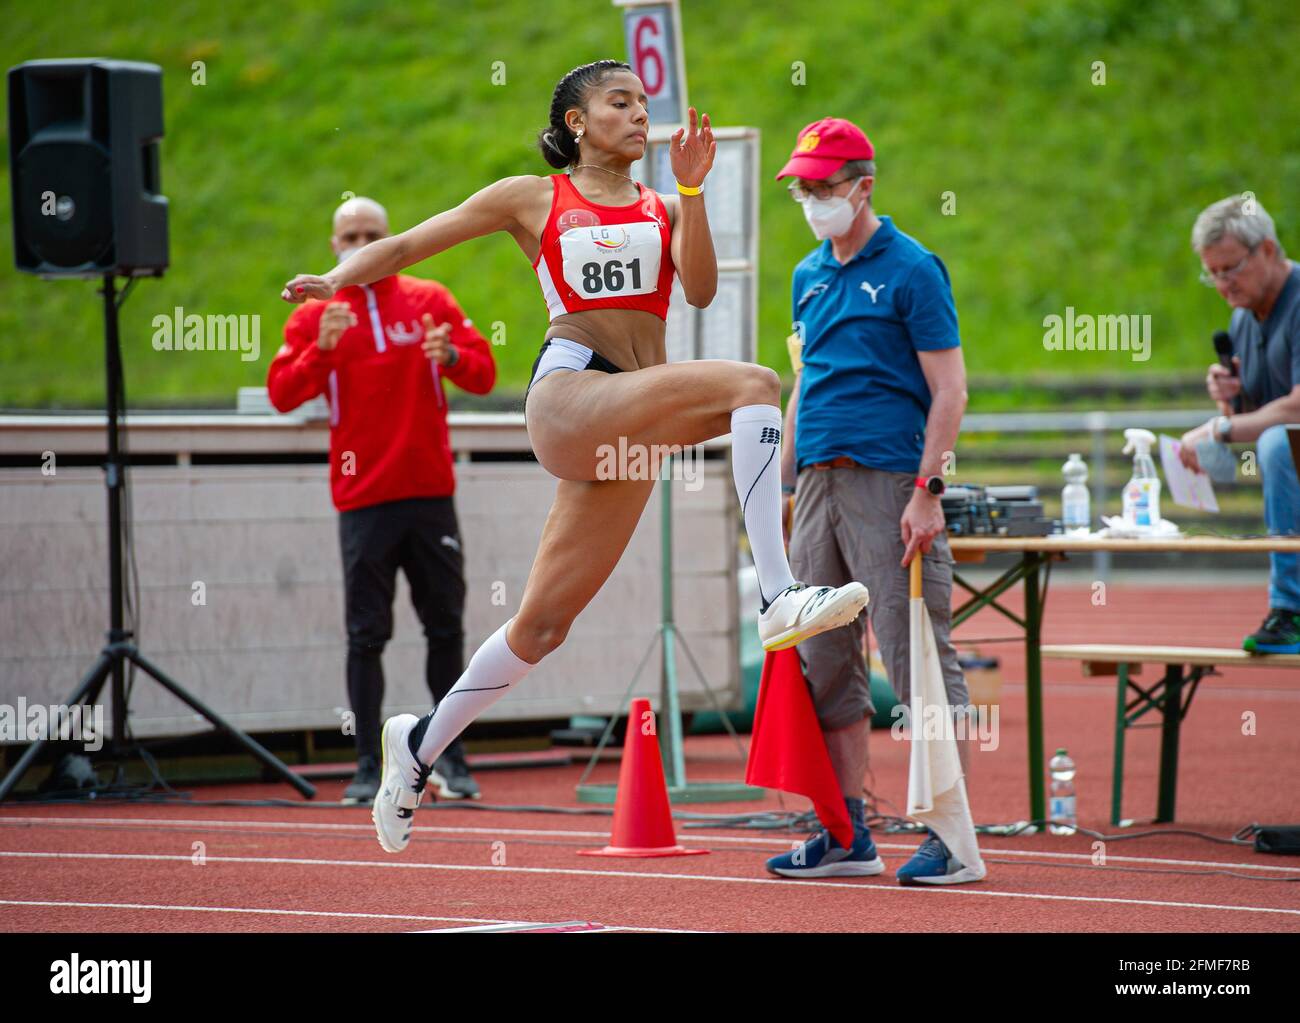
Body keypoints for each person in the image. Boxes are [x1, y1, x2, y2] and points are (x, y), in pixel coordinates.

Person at [280, 61, 869, 854]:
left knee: (543, 623)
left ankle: (416, 748)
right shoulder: (533, 196)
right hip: (568, 397)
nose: (637, 115)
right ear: (576, 123)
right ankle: (777, 593)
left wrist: (691, 194)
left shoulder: (662, 205)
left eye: (641, 104)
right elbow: (415, 241)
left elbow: (697, 291)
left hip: (632, 422)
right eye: (617, 103)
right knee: (756, 383)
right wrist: (337, 278)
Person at [761, 118, 983, 885]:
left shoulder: (915, 268)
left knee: (915, 651)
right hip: (818, 480)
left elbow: (950, 388)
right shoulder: (806, 274)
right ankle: (846, 829)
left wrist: (929, 490)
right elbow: (806, 380)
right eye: (803, 187)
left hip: (891, 482)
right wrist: (784, 483)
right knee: (823, 659)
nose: (813, 198)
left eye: (825, 186)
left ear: (864, 185)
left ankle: (952, 835)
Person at [269, 196, 496, 803]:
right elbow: (282, 394)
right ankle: (368, 765)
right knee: (366, 635)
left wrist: (448, 355)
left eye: (371, 234)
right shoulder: (318, 314)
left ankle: (450, 760)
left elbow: (484, 372)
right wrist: (322, 348)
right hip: (363, 496)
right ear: (334, 246)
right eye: (349, 235)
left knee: (445, 628)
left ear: (389, 239)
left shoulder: (428, 300)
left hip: (430, 492)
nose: (360, 243)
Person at [1180, 195, 1300, 654]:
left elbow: (1294, 412)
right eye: (1211, 273)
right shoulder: (1242, 318)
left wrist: (1219, 429)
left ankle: (1290, 608)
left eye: (1230, 269)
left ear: (1268, 250)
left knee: (1275, 443)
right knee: (1270, 443)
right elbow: (1255, 416)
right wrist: (1231, 405)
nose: (1222, 284)